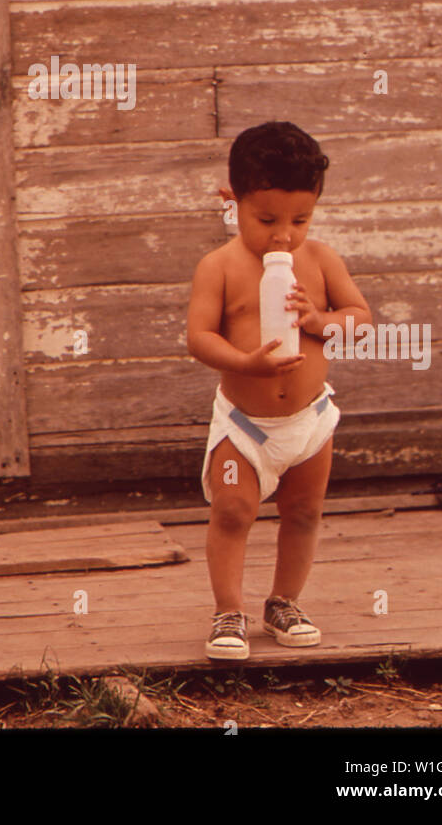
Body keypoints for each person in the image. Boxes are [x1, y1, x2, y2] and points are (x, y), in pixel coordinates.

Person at [186, 121, 372, 659]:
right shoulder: (219, 267)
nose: (283, 235)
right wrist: (245, 362)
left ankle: (284, 602)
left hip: (310, 420)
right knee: (232, 510)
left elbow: (359, 318)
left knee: (305, 511)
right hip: (245, 425)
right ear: (233, 202)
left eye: (300, 219)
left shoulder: (320, 260)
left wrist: (318, 321)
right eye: (266, 219)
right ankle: (228, 611)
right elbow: (199, 337)